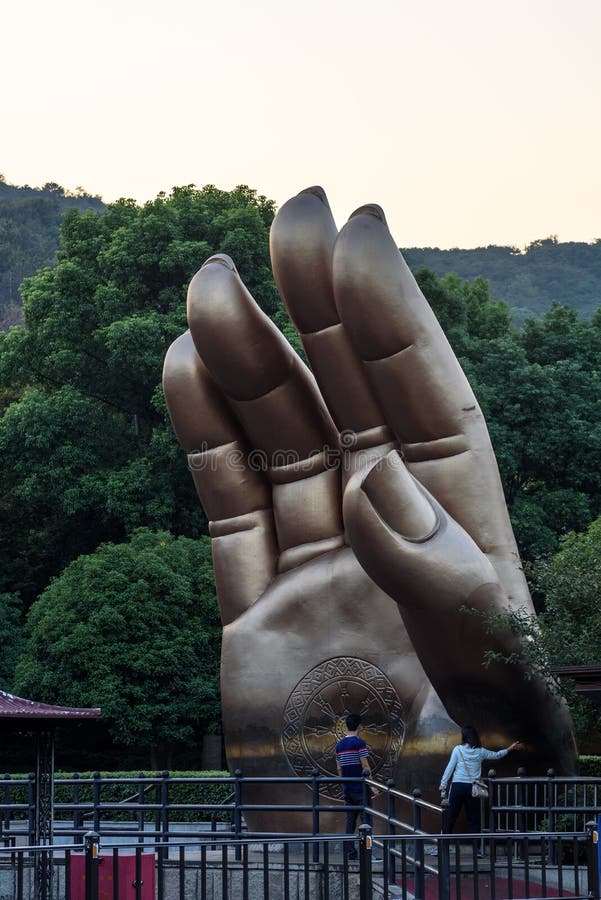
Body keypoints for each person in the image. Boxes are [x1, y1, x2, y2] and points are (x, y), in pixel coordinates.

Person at [439, 725, 522, 836]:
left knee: (451, 817)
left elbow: (450, 767)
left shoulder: (457, 750)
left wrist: (443, 784)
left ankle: (444, 845)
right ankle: (476, 849)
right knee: (473, 819)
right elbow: (496, 755)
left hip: (457, 786)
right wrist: (510, 748)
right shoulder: (481, 752)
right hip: (473, 788)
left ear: (464, 737)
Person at [336, 713, 372, 860]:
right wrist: (372, 785)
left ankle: (351, 854)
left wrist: (343, 784)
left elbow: (339, 768)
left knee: (350, 823)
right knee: (367, 824)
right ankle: (367, 854)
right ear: (359, 726)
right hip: (361, 789)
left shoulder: (339, 745)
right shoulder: (359, 743)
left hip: (347, 789)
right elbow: (365, 766)